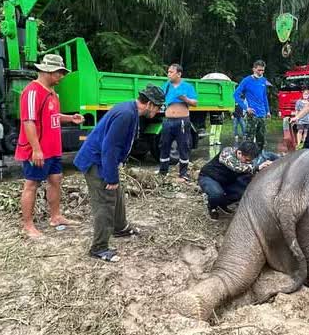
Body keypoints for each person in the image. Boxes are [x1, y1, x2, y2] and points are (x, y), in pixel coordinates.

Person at [73, 85, 165, 262]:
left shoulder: (130, 110)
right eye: (159, 106)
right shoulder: (126, 114)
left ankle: (120, 227)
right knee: (105, 201)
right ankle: (99, 248)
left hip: (104, 159)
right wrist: (111, 176)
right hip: (96, 161)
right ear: (150, 104)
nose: (159, 110)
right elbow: (110, 147)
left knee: (117, 193)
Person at [15, 54, 85, 238]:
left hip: (53, 149)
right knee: (32, 184)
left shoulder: (52, 93)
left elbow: (52, 116)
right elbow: (28, 122)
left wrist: (69, 118)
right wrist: (36, 149)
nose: (61, 76)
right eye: (59, 72)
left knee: (56, 179)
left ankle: (55, 217)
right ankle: (28, 225)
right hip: (38, 150)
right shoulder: (32, 92)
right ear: (48, 71)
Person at [198, 141, 272, 219]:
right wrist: (257, 168)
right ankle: (212, 206)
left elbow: (250, 170)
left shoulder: (247, 160)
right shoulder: (227, 152)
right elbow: (237, 167)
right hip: (210, 177)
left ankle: (221, 203)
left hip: (226, 181)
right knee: (216, 194)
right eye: (246, 160)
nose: (248, 162)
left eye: (250, 160)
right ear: (239, 153)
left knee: (242, 192)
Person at [160, 64, 198, 181]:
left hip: (182, 120)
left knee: (184, 146)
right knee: (164, 145)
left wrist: (185, 99)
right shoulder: (166, 86)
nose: (169, 74)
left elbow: (195, 102)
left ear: (179, 74)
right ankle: (163, 172)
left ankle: (183, 173)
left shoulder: (187, 86)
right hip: (168, 120)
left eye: (171, 72)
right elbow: (159, 99)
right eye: (168, 72)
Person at [234, 60, 271, 152]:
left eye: (262, 70)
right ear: (254, 69)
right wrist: (246, 108)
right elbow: (235, 95)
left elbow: (264, 96)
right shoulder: (246, 80)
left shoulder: (263, 80)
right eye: (259, 70)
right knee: (249, 139)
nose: (261, 72)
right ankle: (245, 157)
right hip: (252, 114)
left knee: (261, 139)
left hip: (262, 114)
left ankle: (259, 156)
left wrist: (268, 111)